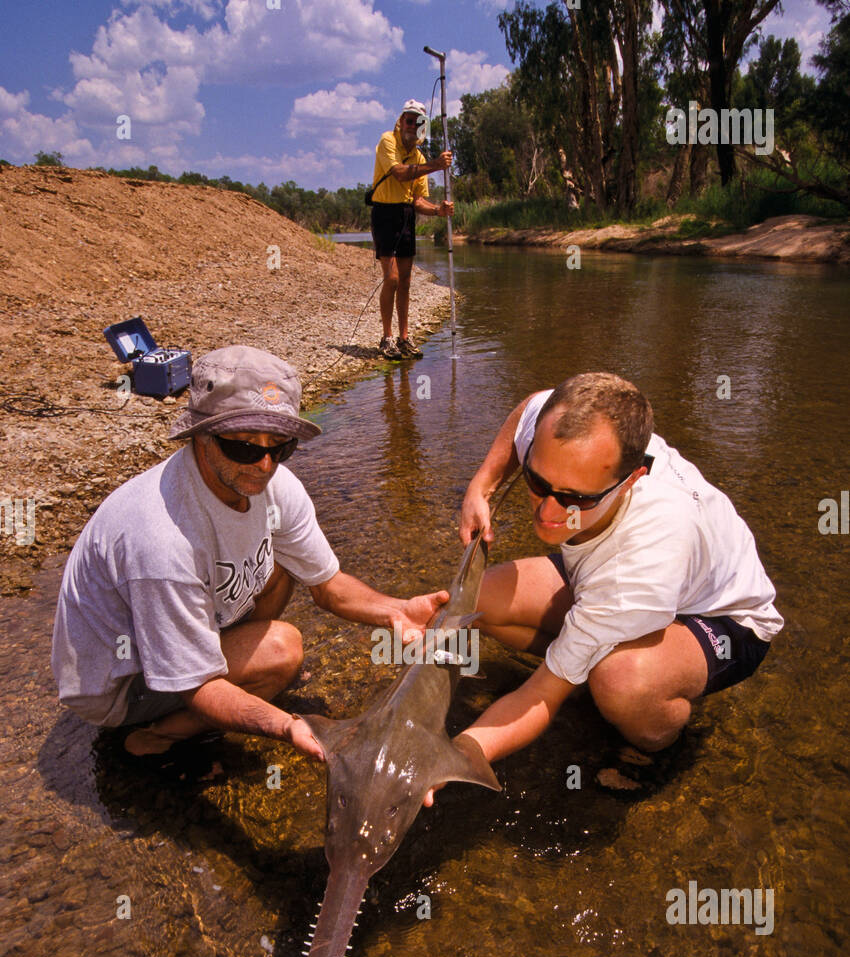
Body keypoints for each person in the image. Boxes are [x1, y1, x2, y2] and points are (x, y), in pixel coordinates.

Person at [51, 345, 449, 760]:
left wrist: (395, 611)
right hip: (119, 683)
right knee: (283, 650)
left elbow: (327, 584)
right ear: (200, 435)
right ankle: (160, 735)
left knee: (283, 566)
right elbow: (198, 685)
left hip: (165, 628)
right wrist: (284, 723)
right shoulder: (161, 541)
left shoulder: (275, 487)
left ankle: (228, 663)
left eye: (280, 447)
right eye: (243, 447)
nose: (264, 465)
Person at [425, 371, 782, 799]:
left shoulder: (643, 561)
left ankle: (653, 744)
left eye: (576, 498)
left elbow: (540, 697)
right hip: (620, 583)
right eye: (538, 483)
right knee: (471, 602)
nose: (548, 512)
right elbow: (528, 408)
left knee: (620, 680)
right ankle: (582, 658)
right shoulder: (556, 425)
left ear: (630, 480)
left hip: (723, 617)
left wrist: (456, 756)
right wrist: (479, 488)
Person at [369, 99, 454, 361]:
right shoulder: (388, 141)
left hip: (406, 216)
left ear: (422, 127)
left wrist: (438, 210)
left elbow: (418, 200)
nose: (412, 125)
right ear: (401, 120)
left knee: (405, 281)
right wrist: (436, 165)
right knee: (392, 278)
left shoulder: (418, 156)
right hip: (384, 213)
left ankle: (404, 338)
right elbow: (400, 173)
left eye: (418, 122)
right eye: (409, 119)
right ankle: (386, 338)